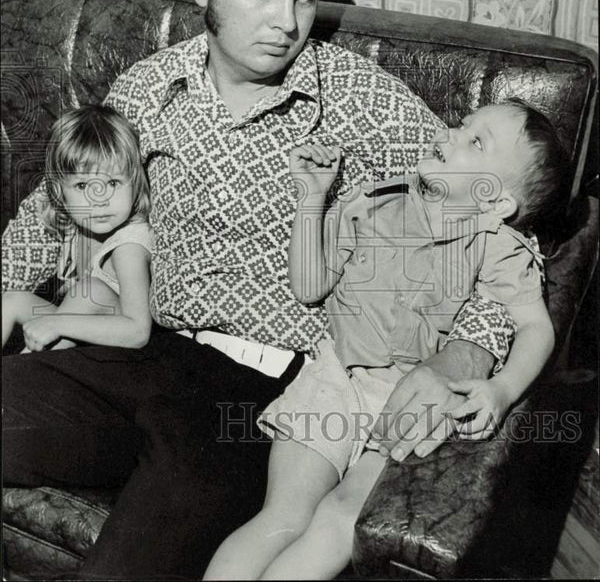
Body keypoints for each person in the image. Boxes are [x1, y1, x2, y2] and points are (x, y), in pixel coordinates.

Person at [3, 0, 518, 580]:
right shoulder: (148, 88)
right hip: (133, 349)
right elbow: (48, 214)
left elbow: (504, 234)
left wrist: (460, 361)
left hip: (252, 397)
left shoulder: (360, 100)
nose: (288, 22)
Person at [204, 99, 567, 580]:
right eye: (462, 124)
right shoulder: (374, 201)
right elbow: (309, 286)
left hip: (404, 405)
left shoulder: (497, 244)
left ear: (497, 202)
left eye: (476, 142)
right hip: (334, 379)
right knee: (283, 518)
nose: (450, 134)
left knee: (340, 517)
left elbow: (535, 327)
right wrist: (312, 200)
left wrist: (502, 391)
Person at [2, 105, 153, 352]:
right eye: (82, 186)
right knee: (11, 300)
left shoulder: (128, 246)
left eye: (113, 182)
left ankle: (25, 370)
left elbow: (138, 332)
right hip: (80, 331)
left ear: (135, 184)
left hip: (122, 348)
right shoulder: (77, 230)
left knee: (87, 291)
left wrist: (57, 322)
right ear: (60, 193)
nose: (99, 198)